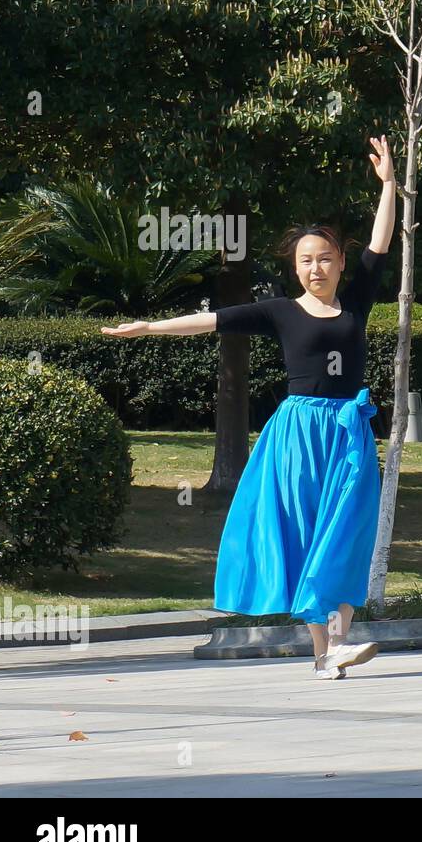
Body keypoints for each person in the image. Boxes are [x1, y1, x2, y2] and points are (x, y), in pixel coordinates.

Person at [102, 136, 396, 677]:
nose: (316, 268)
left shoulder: (357, 301)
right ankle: (327, 652)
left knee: (349, 532)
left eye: (325, 258)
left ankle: (334, 646)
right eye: (306, 260)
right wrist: (149, 327)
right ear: (295, 267)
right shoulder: (281, 312)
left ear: (338, 263)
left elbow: (380, 243)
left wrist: (389, 186)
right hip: (299, 434)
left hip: (351, 432)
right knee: (310, 535)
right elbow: (214, 320)